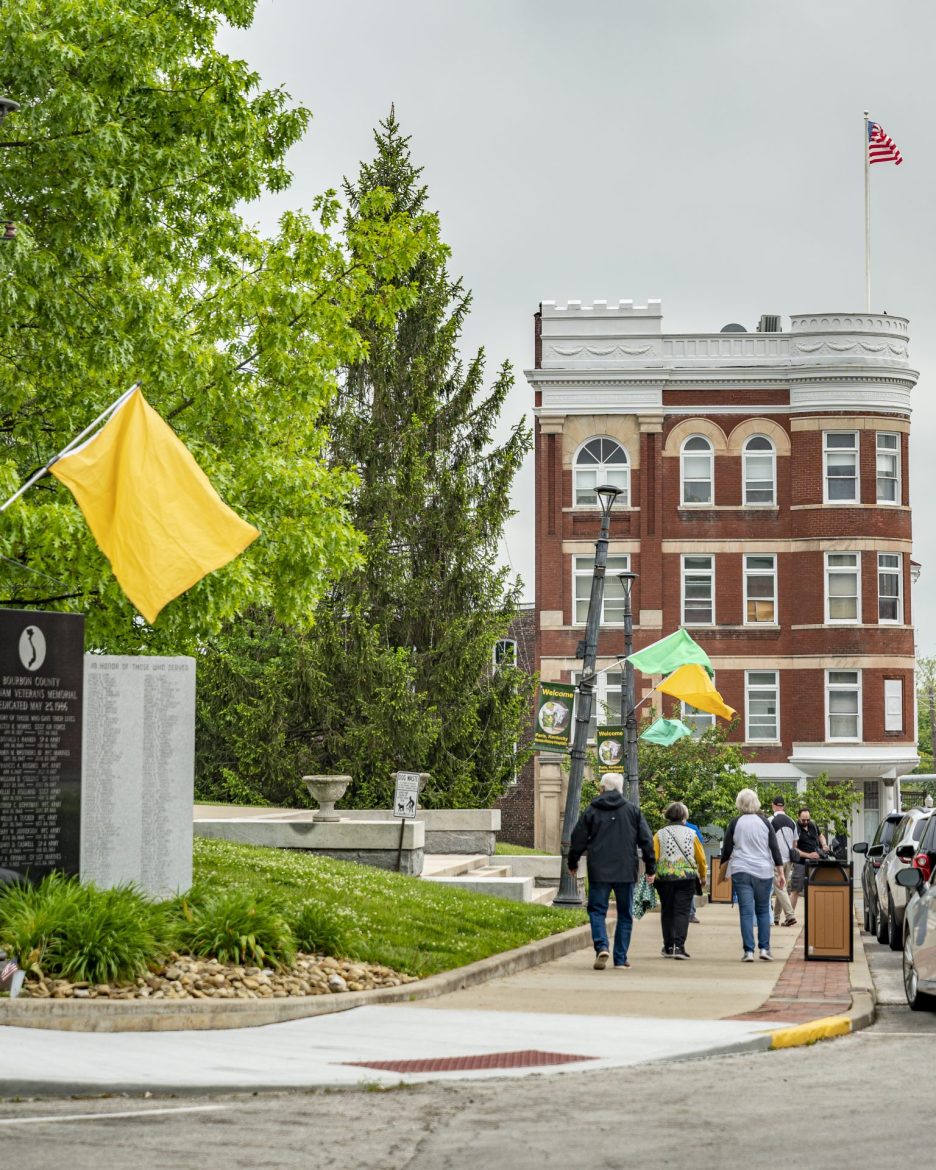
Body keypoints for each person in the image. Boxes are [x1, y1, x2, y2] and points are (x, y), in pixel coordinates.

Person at [568, 772, 656, 970]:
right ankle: (620, 958)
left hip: (599, 869)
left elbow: (578, 838)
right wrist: (651, 868)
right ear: (620, 789)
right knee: (625, 914)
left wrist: (572, 863)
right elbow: (647, 841)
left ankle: (601, 946)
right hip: (626, 870)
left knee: (597, 910)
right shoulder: (633, 811)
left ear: (601, 788)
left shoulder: (591, 810)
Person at [720, 788, 785, 962]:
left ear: (739, 804)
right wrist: (780, 872)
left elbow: (727, 850)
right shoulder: (765, 823)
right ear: (756, 803)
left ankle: (748, 951)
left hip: (741, 870)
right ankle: (764, 949)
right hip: (763, 871)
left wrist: (723, 873)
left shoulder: (735, 823)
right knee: (763, 910)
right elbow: (774, 848)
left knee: (746, 912)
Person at [653, 802, 707, 959]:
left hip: (664, 878)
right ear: (684, 816)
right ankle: (680, 948)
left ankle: (668, 947)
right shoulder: (692, 834)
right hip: (686, 878)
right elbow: (701, 858)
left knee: (667, 911)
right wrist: (703, 875)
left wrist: (651, 873)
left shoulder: (659, 834)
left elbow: (653, 855)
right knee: (682, 912)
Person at [789, 806, 828, 915]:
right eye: (803, 820)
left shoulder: (813, 825)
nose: (806, 822)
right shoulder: (795, 828)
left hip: (815, 863)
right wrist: (808, 855)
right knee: (795, 890)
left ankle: (816, 915)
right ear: (798, 817)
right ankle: (790, 916)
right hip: (800, 863)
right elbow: (794, 849)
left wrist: (824, 845)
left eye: (808, 819)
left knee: (816, 890)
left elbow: (821, 836)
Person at [768, 796, 797, 927]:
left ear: (773, 805)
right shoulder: (792, 821)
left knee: (780, 888)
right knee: (782, 887)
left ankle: (790, 915)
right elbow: (794, 843)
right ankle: (776, 917)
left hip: (776, 859)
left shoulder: (770, 820)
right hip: (789, 859)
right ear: (783, 806)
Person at [686, 818, 706, 924]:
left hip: (670, 867)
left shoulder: (664, 830)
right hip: (689, 865)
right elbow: (700, 847)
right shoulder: (693, 828)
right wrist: (702, 874)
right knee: (690, 891)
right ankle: (690, 914)